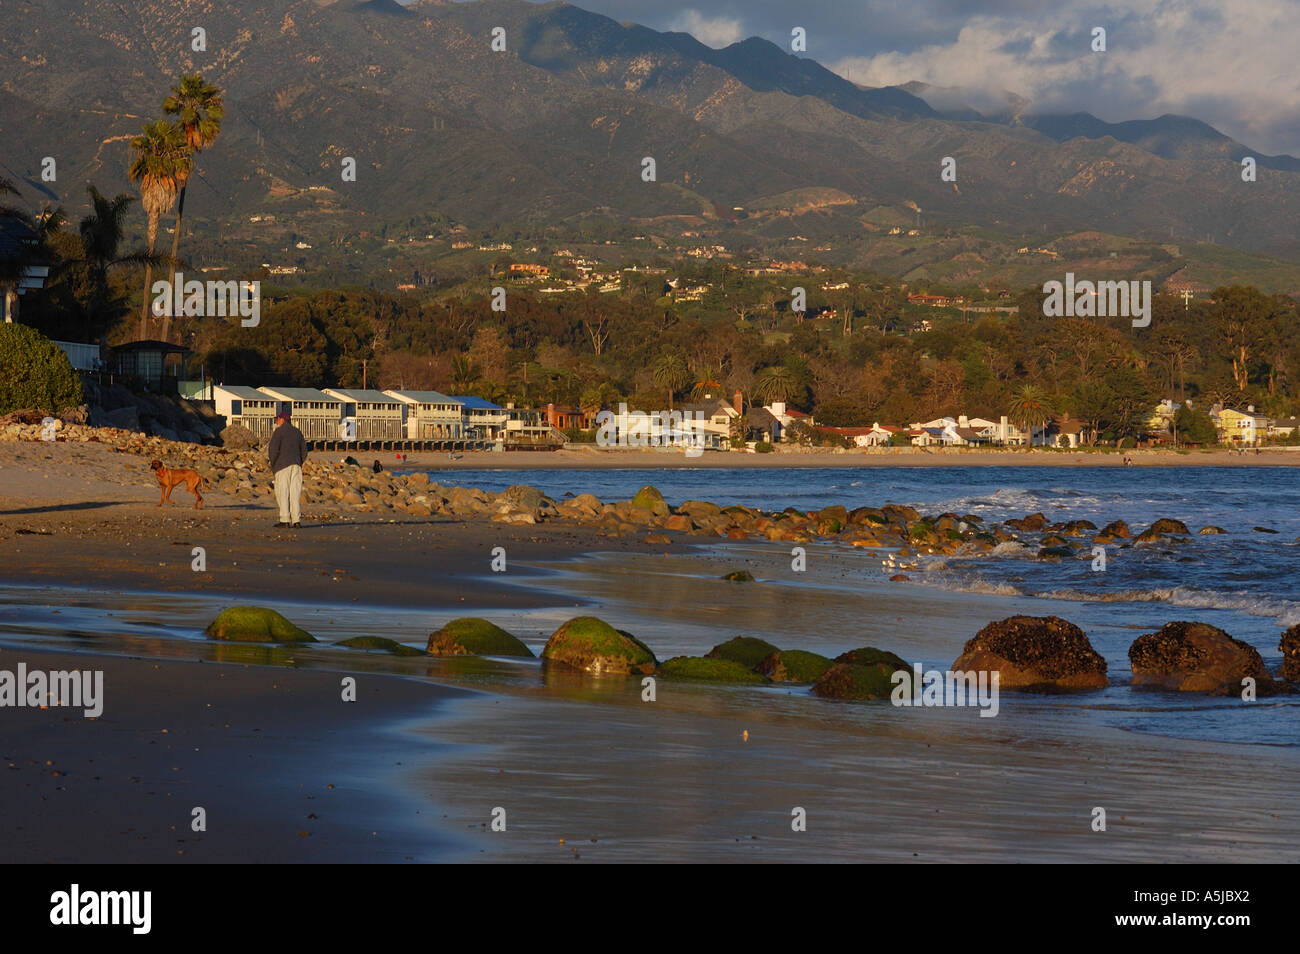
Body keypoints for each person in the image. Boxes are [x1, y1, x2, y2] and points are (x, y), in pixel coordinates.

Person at [268, 409, 307, 528]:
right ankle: (296, 520)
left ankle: (285, 519)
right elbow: (304, 451)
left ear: (282, 419)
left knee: (282, 493)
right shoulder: (297, 432)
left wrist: (273, 465)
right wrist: (299, 462)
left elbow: (273, 450)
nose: (276, 422)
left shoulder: (279, 432)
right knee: (295, 493)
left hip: (282, 466)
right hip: (296, 465)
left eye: (277, 419)